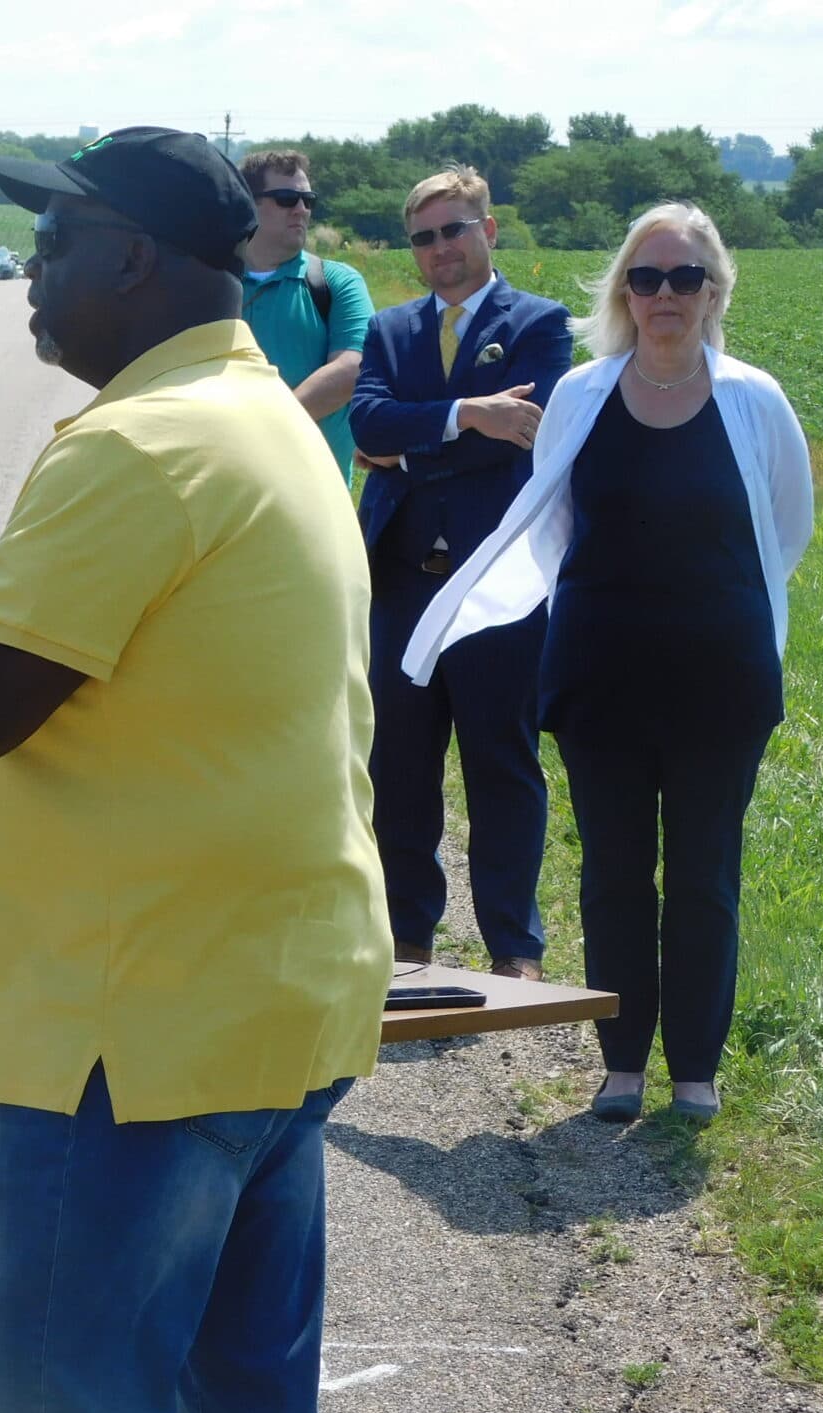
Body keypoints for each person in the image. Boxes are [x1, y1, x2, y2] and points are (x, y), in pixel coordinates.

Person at [0, 128, 392, 1413]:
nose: (32, 269)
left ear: (133, 255)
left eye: (56, 240)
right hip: (271, 1009)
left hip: (138, 1037)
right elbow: (157, 695)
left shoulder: (142, 446)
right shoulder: (264, 424)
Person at [403, 202, 813, 1123]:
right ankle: (622, 1062)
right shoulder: (583, 394)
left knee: (705, 874)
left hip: (721, 677)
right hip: (599, 676)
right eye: (646, 277)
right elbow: (552, 517)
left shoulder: (755, 399)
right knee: (615, 872)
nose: (664, 295)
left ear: (714, 292)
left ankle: (696, 1072)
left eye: (684, 278)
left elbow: (785, 531)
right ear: (624, 290)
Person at [347, 165, 573, 982]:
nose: (440, 249)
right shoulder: (392, 328)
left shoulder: (542, 325)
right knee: (399, 765)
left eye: (454, 229)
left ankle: (514, 949)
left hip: (497, 582)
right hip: (404, 578)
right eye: (424, 236)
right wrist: (468, 414)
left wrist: (405, 451)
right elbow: (364, 415)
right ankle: (407, 941)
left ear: (489, 231)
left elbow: (528, 431)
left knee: (499, 762)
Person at [236, 150, 373, 483]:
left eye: (307, 200)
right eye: (286, 199)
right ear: (247, 203)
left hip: (315, 493)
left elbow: (352, 368)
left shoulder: (336, 282)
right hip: (223, 490)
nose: (301, 210)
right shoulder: (211, 283)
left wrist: (266, 430)